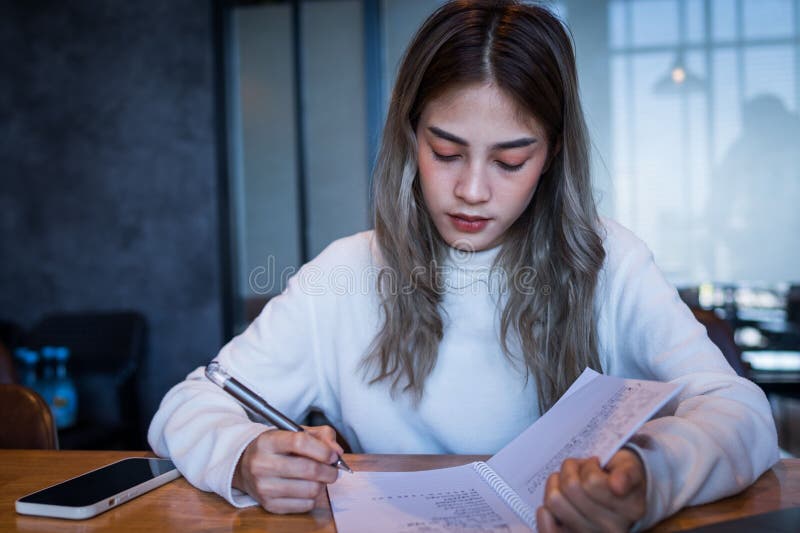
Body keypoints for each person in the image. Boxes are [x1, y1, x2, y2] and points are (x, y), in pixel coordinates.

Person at [148, 1, 778, 530]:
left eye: (510, 162)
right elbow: (187, 406)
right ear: (409, 134)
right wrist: (245, 455)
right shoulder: (345, 275)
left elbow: (743, 413)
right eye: (446, 151)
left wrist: (649, 476)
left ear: (553, 155)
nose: (473, 190)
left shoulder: (608, 262)